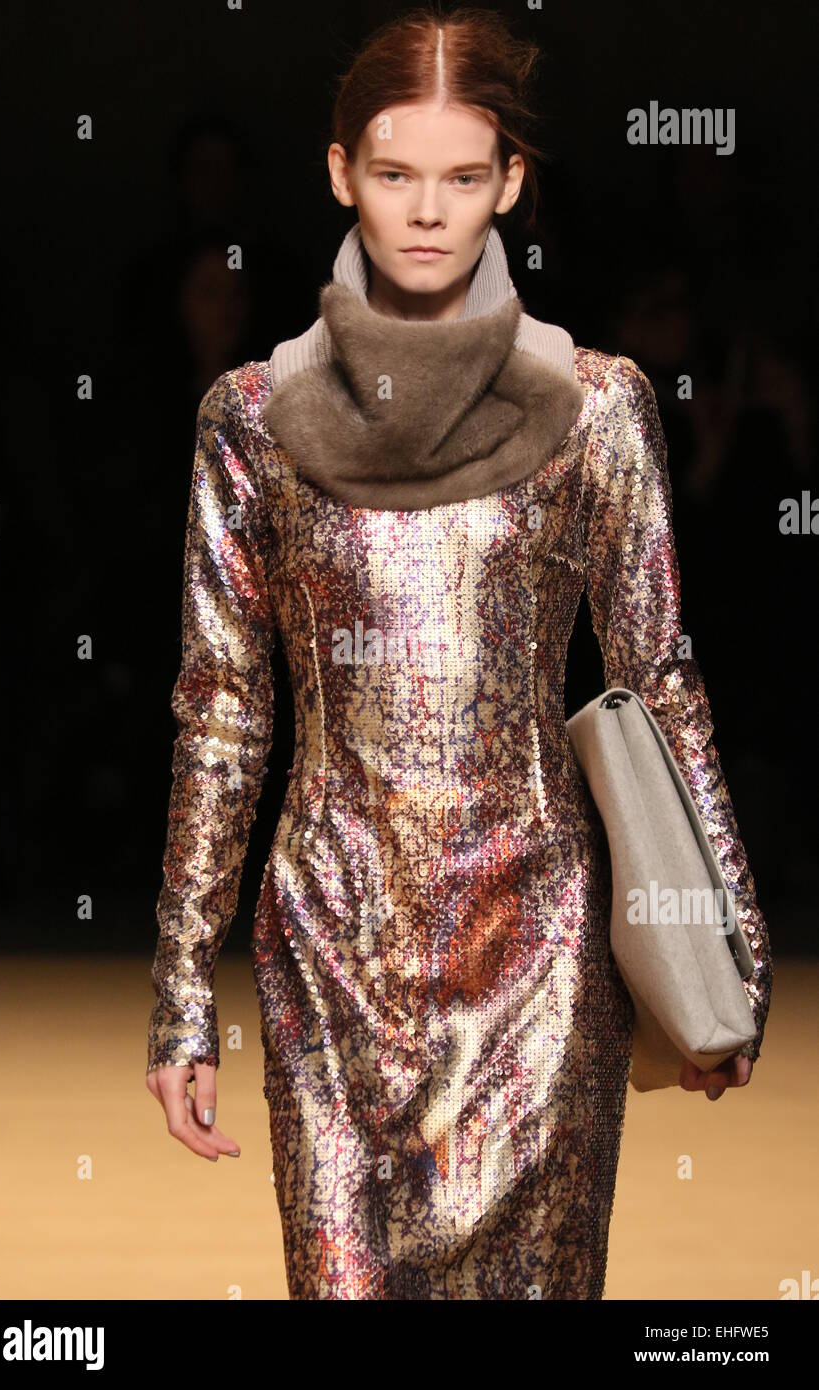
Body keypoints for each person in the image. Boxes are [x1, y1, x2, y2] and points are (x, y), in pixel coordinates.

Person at [145, 6, 772, 1300]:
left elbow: (659, 685)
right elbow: (220, 711)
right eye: (392, 173)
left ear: (510, 183)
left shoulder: (595, 412)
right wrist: (181, 992)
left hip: (538, 960)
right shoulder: (251, 423)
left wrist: (727, 952)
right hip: (327, 947)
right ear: (338, 174)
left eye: (461, 175)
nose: (426, 211)